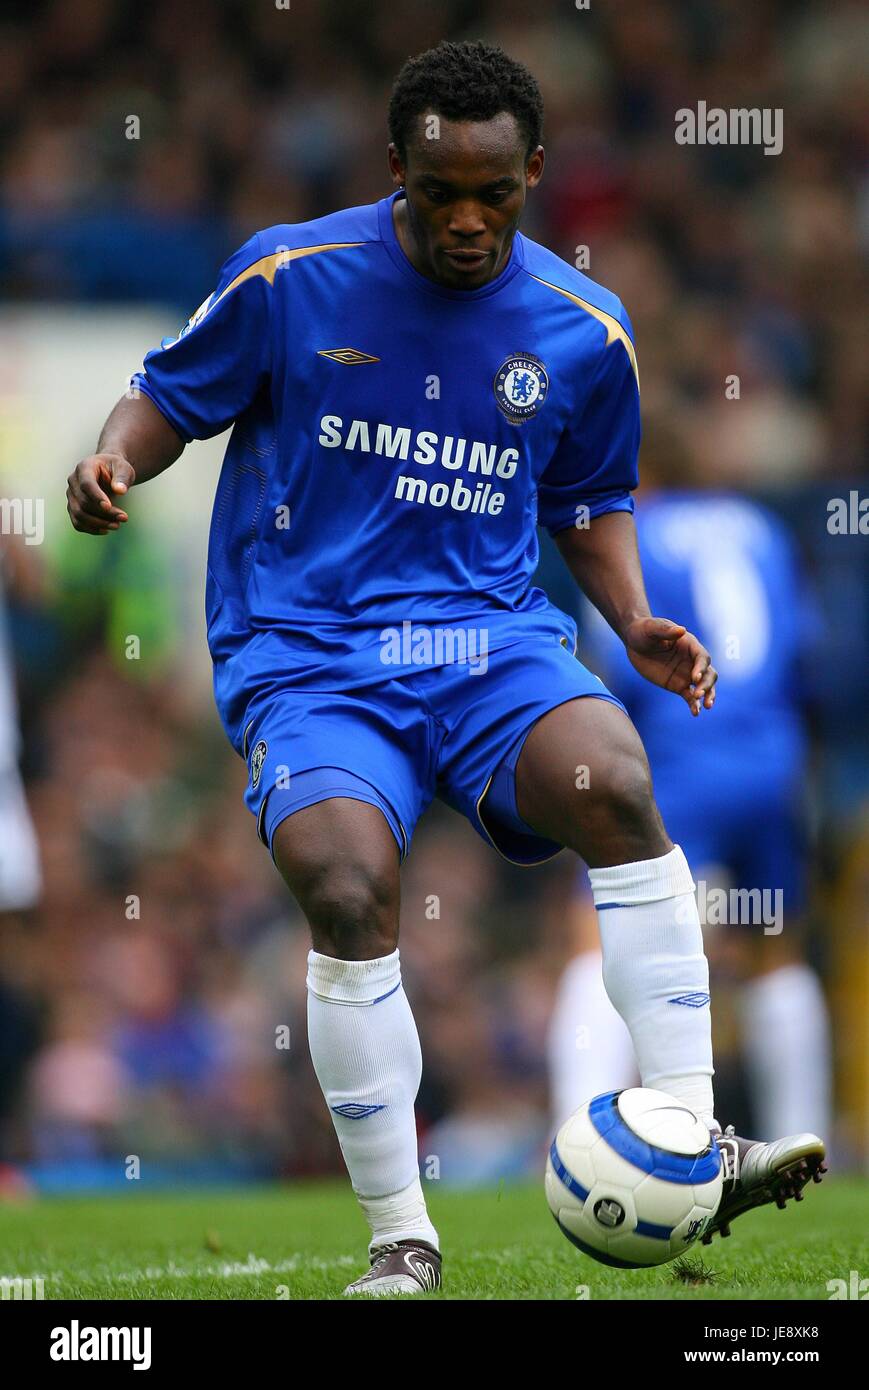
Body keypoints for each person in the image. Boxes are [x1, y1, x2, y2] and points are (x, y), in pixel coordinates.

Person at [66, 41, 824, 1296]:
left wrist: (631, 616)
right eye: (438, 193)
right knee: (344, 880)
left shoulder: (583, 330)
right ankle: (401, 1239)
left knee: (613, 778)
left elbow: (588, 499)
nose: (467, 220)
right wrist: (112, 462)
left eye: (493, 195)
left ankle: (691, 1139)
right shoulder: (289, 276)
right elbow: (165, 394)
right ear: (394, 171)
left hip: (487, 643)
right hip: (308, 655)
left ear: (534, 174)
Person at [549, 423, 832, 1170]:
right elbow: (808, 657)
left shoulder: (628, 543)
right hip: (773, 761)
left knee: (595, 936)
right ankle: (807, 1147)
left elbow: (612, 675)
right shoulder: (761, 528)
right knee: (774, 951)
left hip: (681, 757)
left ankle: (572, 1142)